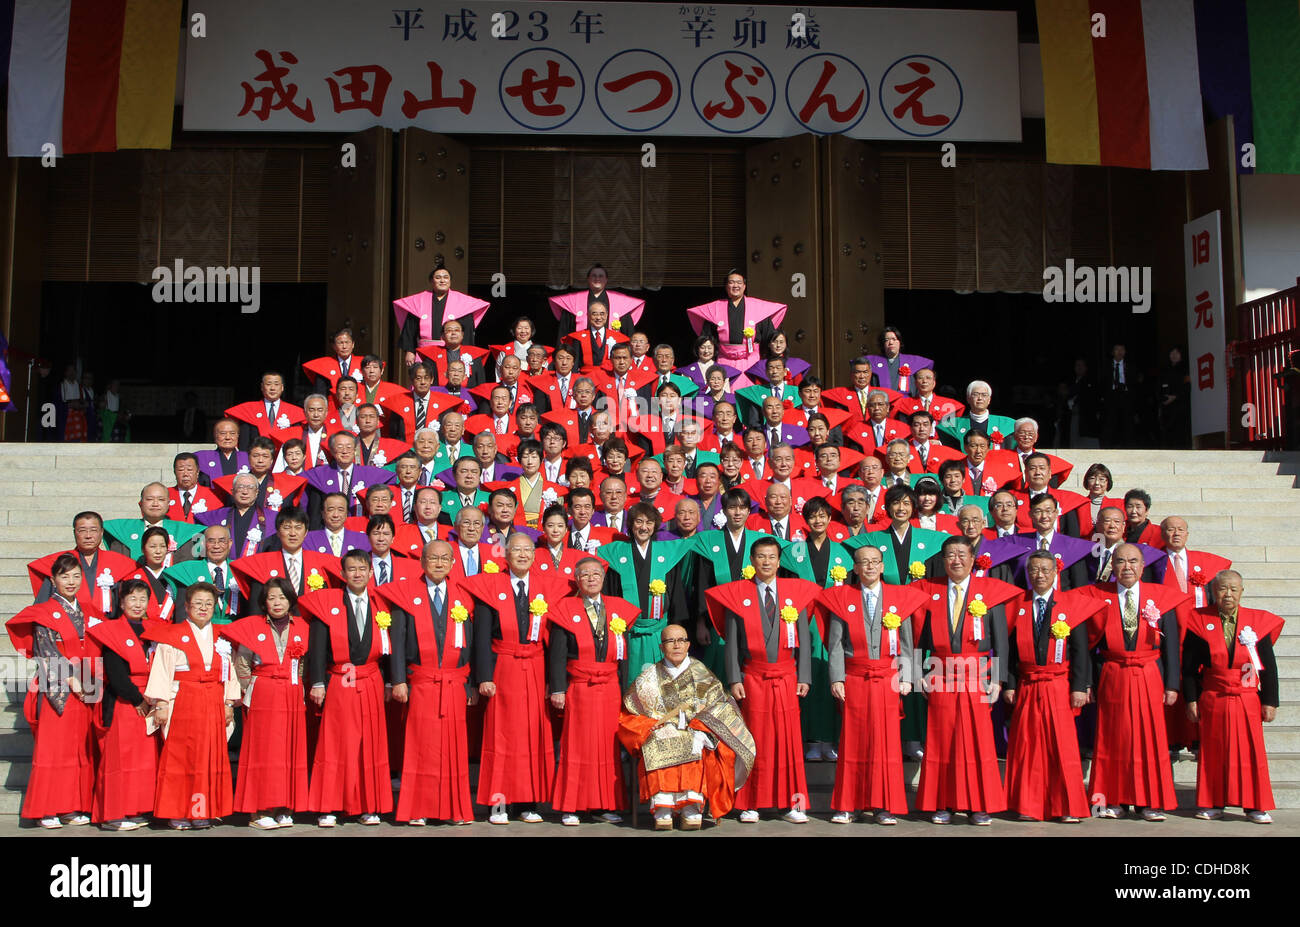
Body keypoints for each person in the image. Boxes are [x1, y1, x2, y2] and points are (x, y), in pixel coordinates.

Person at [909, 535, 1019, 825]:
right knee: (942, 739)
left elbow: (1001, 640)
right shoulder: (929, 591)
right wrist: (918, 674)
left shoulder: (989, 592)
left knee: (977, 741)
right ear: (943, 561)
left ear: (972, 559)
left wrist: (998, 679)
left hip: (978, 674)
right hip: (941, 673)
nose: (956, 560)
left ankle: (978, 805)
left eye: (961, 554)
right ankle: (942, 802)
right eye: (950, 555)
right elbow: (917, 636)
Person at [708, 536, 820, 823]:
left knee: (788, 740)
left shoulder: (796, 592)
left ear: (779, 562)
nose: (766, 562)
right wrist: (734, 678)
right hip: (753, 676)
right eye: (760, 556)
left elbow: (804, 641)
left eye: (771, 557)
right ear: (752, 561)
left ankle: (792, 803)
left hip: (786, 675)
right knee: (753, 739)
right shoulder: (738, 594)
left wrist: (804, 675)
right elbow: (731, 642)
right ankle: (750, 803)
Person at [817, 545, 928, 825]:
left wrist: (907, 677)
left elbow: (907, 643)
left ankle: (884, 806)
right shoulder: (844, 598)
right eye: (863, 562)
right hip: (855, 677)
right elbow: (836, 644)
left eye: (874, 562)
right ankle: (847, 805)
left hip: (887, 679)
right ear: (855, 568)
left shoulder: (897, 598)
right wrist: (837, 678)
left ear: (882, 566)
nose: (868, 567)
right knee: (852, 741)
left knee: (887, 743)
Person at [466, 533, 565, 823]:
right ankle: (499, 804)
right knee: (502, 735)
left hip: (535, 666)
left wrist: (552, 680)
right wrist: (483, 676)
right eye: (516, 550)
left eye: (527, 550)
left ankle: (529, 803)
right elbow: (481, 637)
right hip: (503, 667)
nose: (522, 555)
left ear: (535, 555)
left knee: (533, 734)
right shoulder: (490, 586)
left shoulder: (546, 588)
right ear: (505, 555)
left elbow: (554, 639)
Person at [1082, 543, 1186, 821]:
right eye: (1120, 562)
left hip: (1148, 673)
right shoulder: (1098, 597)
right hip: (1113, 673)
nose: (1127, 567)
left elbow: (1172, 645)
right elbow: (1088, 645)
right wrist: (1088, 682)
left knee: (1148, 738)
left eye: (1132, 561)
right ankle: (1112, 800)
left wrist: (1172, 684)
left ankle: (1149, 802)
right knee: (1113, 738)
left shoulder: (1161, 598)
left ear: (1142, 566)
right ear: (1112, 567)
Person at [618, 624, 756, 830]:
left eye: (681, 640)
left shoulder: (702, 673)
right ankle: (663, 807)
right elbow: (631, 711)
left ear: (689, 645)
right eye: (670, 641)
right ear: (661, 646)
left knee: (696, 742)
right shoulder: (649, 676)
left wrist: (702, 727)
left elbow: (720, 705)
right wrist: (651, 726)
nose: (676, 645)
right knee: (656, 740)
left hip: (696, 729)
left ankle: (691, 806)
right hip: (662, 730)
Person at [383, 539, 479, 826]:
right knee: (420, 746)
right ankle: (418, 808)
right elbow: (397, 641)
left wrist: (471, 682)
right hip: (420, 682)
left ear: (452, 563)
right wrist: (398, 680)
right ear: (423, 562)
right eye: (433, 558)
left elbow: (471, 645)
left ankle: (455, 809)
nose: (438, 563)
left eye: (444, 558)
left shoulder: (463, 595)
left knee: (454, 747)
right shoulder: (406, 594)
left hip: (453, 683)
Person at [1001, 551, 1099, 822]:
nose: (1039, 575)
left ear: (1055, 572)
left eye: (1045, 570)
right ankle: (1028, 806)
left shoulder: (1069, 604)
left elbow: (1081, 650)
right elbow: (1009, 650)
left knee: (1062, 746)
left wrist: (1080, 686)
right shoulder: (1018, 605)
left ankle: (1065, 807)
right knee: (1027, 746)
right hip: (1028, 684)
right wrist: (1009, 684)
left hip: (1058, 684)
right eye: (1034, 570)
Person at [301, 551, 395, 826]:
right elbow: (317, 647)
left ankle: (369, 805)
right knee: (335, 743)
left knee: (370, 743)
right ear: (342, 574)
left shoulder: (381, 603)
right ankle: (328, 806)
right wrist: (317, 682)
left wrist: (390, 681)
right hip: (340, 679)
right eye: (351, 569)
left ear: (370, 573)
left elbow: (389, 649)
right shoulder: (327, 603)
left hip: (371, 679)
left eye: (362, 569)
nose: (357, 574)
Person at [1182, 570, 1283, 824]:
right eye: (1223, 589)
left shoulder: (1257, 621)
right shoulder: (1198, 620)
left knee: (1251, 753)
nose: (1228, 594)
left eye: (1234, 589)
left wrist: (1270, 701)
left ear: (1242, 592)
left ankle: (1255, 806)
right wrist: (1191, 700)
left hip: (1247, 697)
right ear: (1213, 592)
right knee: (1214, 752)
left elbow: (1268, 667)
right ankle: (1211, 802)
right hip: (1213, 696)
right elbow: (1190, 667)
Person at [7, 554, 99, 828]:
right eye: (64, 576)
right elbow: (45, 651)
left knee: (79, 750)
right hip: (58, 686)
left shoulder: (88, 610)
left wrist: (91, 680)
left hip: (88, 683)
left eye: (75, 576)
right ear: (53, 580)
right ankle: (47, 809)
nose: (70, 582)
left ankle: (71, 806)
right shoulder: (45, 612)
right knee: (54, 750)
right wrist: (73, 681)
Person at [547, 557, 640, 825]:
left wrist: (624, 691)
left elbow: (624, 655)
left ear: (603, 578)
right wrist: (558, 689)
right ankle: (571, 806)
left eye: (595, 574)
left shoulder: (617, 609)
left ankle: (604, 804)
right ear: (577, 579)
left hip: (609, 686)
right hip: (579, 685)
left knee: (607, 746)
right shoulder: (566, 608)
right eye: (585, 574)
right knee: (576, 745)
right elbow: (557, 653)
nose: (591, 578)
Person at [141, 582, 241, 829]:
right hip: (183, 697)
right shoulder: (172, 636)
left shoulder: (221, 637)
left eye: (208, 604)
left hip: (214, 699)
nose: (203, 608)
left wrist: (229, 701)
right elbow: (163, 670)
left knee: (210, 756)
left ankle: (203, 811)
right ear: (186, 607)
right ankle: (178, 811)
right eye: (197, 603)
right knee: (181, 757)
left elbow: (229, 671)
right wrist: (162, 702)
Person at [222, 577, 310, 829]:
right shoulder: (252, 627)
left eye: (282, 597)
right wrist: (250, 687)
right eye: (271, 598)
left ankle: (284, 804)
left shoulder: (303, 626)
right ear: (264, 602)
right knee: (262, 751)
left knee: (287, 750)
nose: (277, 603)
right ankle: (258, 810)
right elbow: (242, 664)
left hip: (292, 693)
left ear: (290, 600)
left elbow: (303, 664)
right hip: (262, 693)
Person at [87, 578, 160, 831]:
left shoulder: (155, 629)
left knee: (144, 761)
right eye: (132, 598)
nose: (138, 604)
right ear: (121, 601)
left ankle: (137, 808)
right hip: (125, 702)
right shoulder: (112, 630)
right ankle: (113, 814)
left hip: (151, 699)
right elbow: (115, 673)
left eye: (143, 599)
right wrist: (137, 698)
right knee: (120, 760)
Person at [599, 502, 692, 677]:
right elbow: (610, 594)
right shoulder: (616, 553)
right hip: (628, 633)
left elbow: (676, 594)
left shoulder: (666, 554)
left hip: (659, 633)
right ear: (631, 524)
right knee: (631, 681)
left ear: (655, 526)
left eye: (649, 523)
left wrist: (676, 629)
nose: (644, 527)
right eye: (639, 522)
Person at [687, 270, 786, 390]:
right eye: (731, 282)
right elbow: (707, 339)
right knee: (724, 395)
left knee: (751, 396)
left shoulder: (758, 308)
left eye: (739, 282)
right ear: (726, 286)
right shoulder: (715, 309)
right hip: (724, 359)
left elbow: (770, 337)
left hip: (751, 361)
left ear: (744, 286)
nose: (735, 286)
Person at [395, 264, 490, 363]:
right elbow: (410, 328)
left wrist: (465, 353)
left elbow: (467, 331)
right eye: (438, 277)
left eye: (446, 277)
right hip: (424, 353)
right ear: (432, 281)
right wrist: (410, 350)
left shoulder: (462, 302)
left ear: (450, 281)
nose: (442, 280)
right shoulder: (419, 300)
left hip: (452, 352)